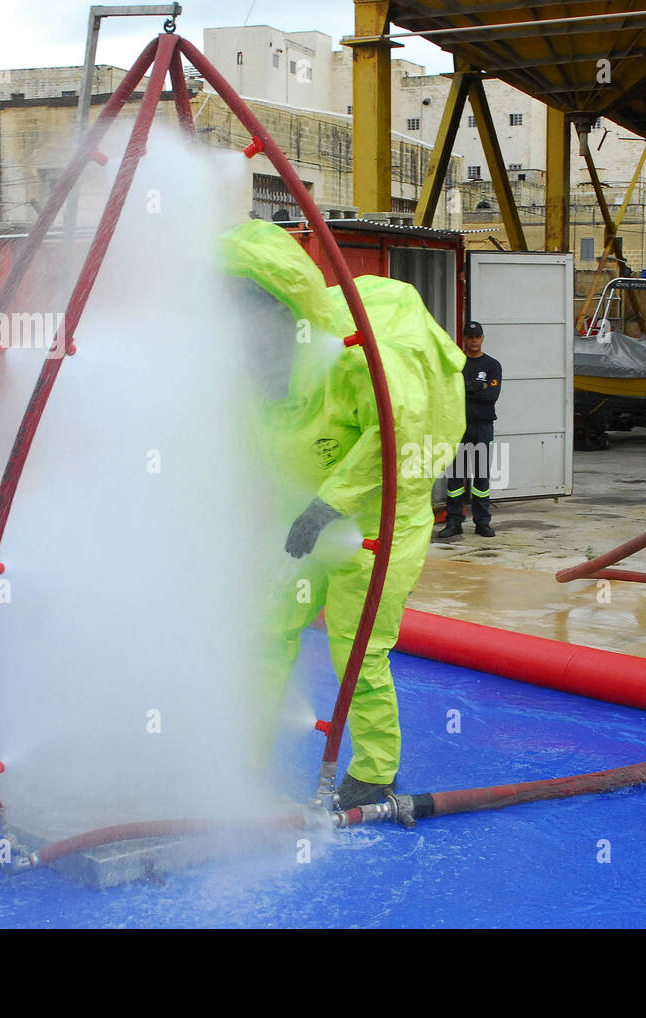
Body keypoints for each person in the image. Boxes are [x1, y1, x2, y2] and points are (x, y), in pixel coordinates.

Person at [218, 219, 466, 809]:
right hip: (301, 519)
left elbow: (398, 434)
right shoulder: (248, 364)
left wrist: (330, 503)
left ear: (285, 311)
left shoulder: (354, 357)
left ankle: (375, 770)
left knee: (357, 645)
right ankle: (240, 754)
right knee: (265, 626)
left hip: (378, 521)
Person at [438, 321, 501, 539]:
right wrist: (478, 386)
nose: (473, 341)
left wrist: (466, 387)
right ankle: (454, 522)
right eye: (469, 337)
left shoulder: (493, 365)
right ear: (464, 339)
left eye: (477, 337)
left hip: (482, 427)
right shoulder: (457, 363)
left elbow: (491, 396)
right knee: (456, 477)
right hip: (458, 427)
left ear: (482, 338)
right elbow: (449, 392)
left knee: (481, 478)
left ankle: (482, 522)